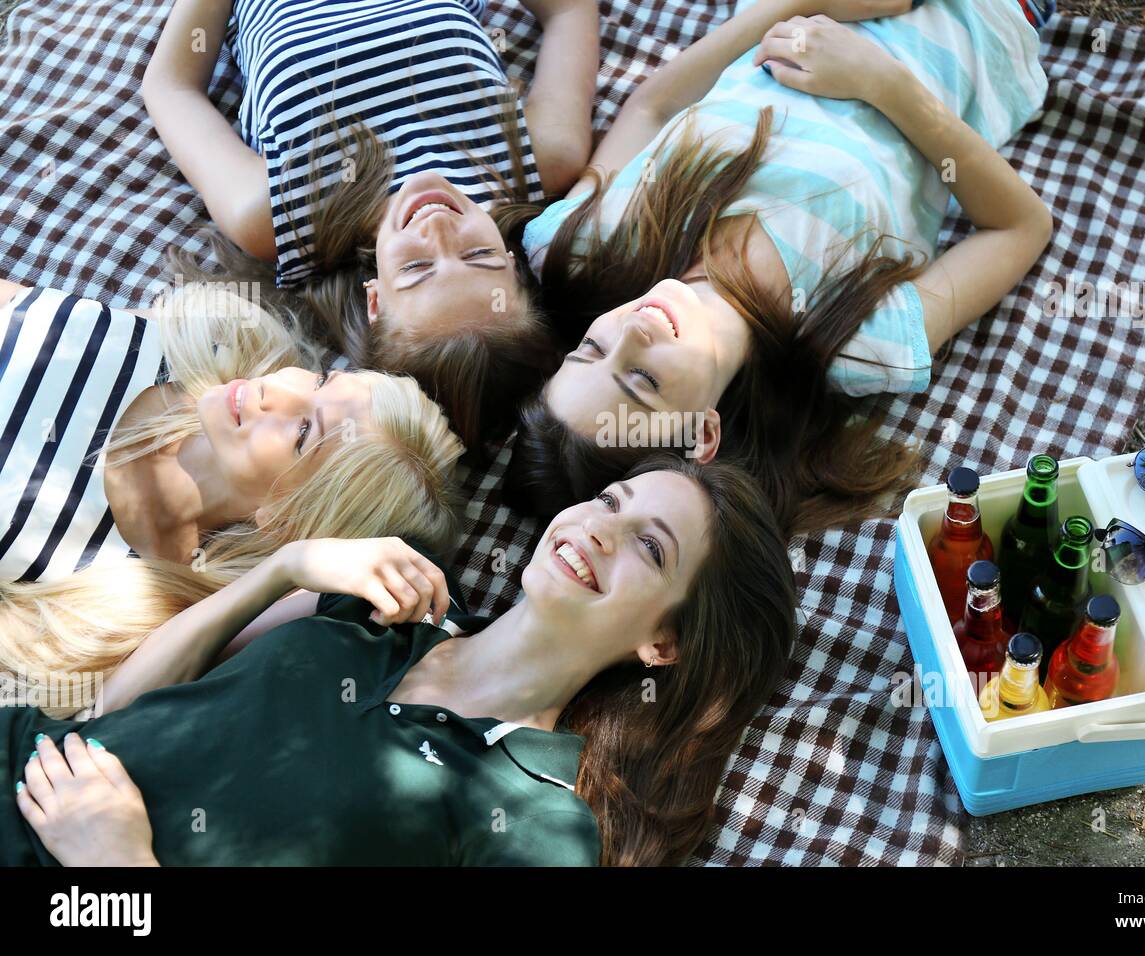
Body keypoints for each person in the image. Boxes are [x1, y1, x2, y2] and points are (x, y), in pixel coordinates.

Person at [5, 458, 797, 866]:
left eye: (649, 548)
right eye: (614, 500)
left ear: (662, 645)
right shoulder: (380, 597)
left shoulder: (540, 827)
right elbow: (115, 715)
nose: (600, 529)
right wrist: (284, 569)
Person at [504, 0, 1055, 532]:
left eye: (591, 349)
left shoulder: (581, 245)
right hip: (975, 24)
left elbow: (654, 107)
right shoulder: (853, 344)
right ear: (703, 433)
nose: (634, 329)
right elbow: (1019, 226)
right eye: (644, 379)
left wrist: (801, 5)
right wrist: (883, 84)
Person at [144, 0, 600, 450]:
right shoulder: (538, 159)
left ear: (376, 299)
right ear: (514, 264)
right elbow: (569, 11)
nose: (437, 227)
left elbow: (171, 88)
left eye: (418, 267)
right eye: (478, 256)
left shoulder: (277, 217)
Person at [0, 277, 464, 706]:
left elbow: (107, 714)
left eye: (304, 432)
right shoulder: (174, 344)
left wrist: (284, 569)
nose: (278, 389)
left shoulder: (130, 600)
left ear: (283, 516)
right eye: (323, 381)